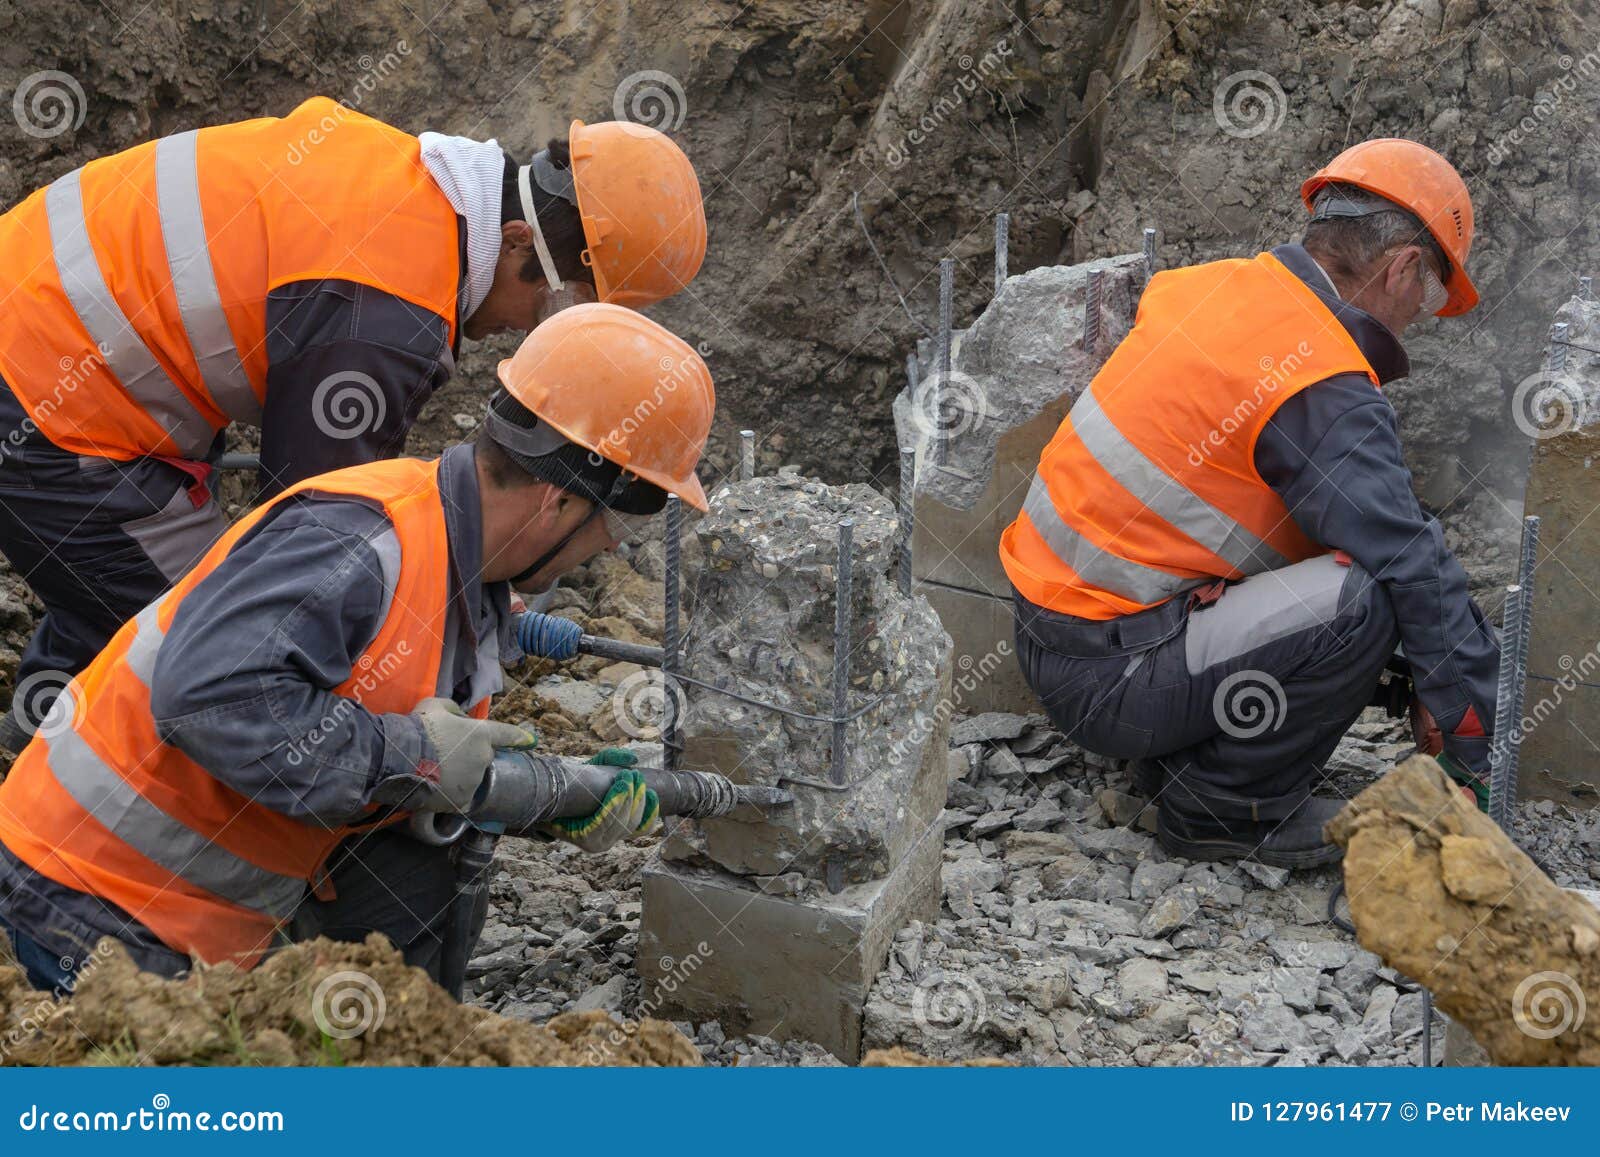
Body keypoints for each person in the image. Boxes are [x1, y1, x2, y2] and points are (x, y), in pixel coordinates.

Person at [0, 303, 714, 991]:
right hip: (90, 899)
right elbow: (208, 699)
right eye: (609, 530)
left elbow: (401, 757)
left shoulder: (457, 566)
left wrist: (556, 801)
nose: (601, 552)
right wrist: (417, 755)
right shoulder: (360, 546)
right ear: (559, 501)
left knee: (423, 866)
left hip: (206, 908)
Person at [0, 97, 707, 744]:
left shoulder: (409, 188)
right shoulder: (384, 312)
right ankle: (77, 837)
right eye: (546, 313)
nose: (521, 336)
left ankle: (41, 758)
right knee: (219, 640)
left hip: (59, 340)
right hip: (52, 404)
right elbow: (310, 537)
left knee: (124, 599)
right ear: (519, 241)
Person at [1001, 139, 1498, 869]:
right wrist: (1468, 723)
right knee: (1366, 600)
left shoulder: (1213, 289)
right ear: (1403, 268)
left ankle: (1188, 756)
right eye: (1427, 297)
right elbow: (1406, 558)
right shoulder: (1318, 376)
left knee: (1347, 572)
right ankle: (1226, 810)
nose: (1418, 317)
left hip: (1055, 638)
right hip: (1111, 681)